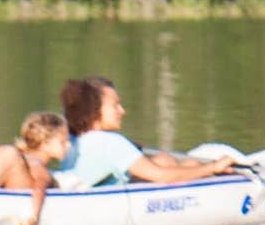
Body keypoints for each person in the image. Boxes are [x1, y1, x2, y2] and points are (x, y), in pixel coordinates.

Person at [53, 76, 202, 187]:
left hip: (96, 188)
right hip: (106, 202)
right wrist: (212, 167)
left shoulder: (68, 137)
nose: (122, 111)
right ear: (94, 111)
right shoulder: (111, 142)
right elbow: (161, 176)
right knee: (193, 165)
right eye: (115, 105)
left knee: (163, 160)